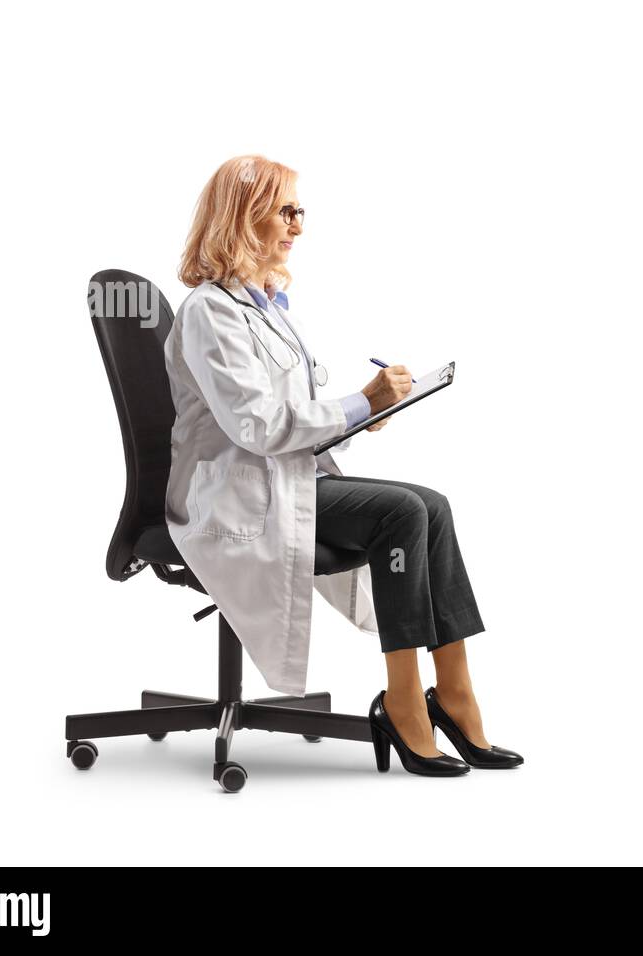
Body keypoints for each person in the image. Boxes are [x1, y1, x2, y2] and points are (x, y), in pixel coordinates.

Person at [164, 155, 522, 777]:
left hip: (282, 479)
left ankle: (455, 693)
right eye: (287, 211)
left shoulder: (266, 309)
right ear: (245, 218)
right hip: (233, 496)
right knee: (403, 512)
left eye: (300, 211)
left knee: (431, 505)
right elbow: (256, 426)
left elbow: (289, 414)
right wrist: (360, 400)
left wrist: (362, 413)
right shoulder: (209, 312)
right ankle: (405, 702)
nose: (299, 225)